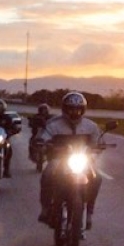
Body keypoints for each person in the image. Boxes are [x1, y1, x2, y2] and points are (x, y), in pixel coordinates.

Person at [35, 92, 103, 229]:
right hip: (58, 159)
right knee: (47, 174)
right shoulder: (53, 124)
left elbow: (98, 142)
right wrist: (42, 144)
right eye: (71, 108)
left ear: (83, 109)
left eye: (78, 109)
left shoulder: (91, 126)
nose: (75, 112)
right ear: (64, 109)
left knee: (97, 177)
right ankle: (45, 209)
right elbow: (42, 137)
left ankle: (89, 212)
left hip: (82, 159)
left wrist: (97, 150)